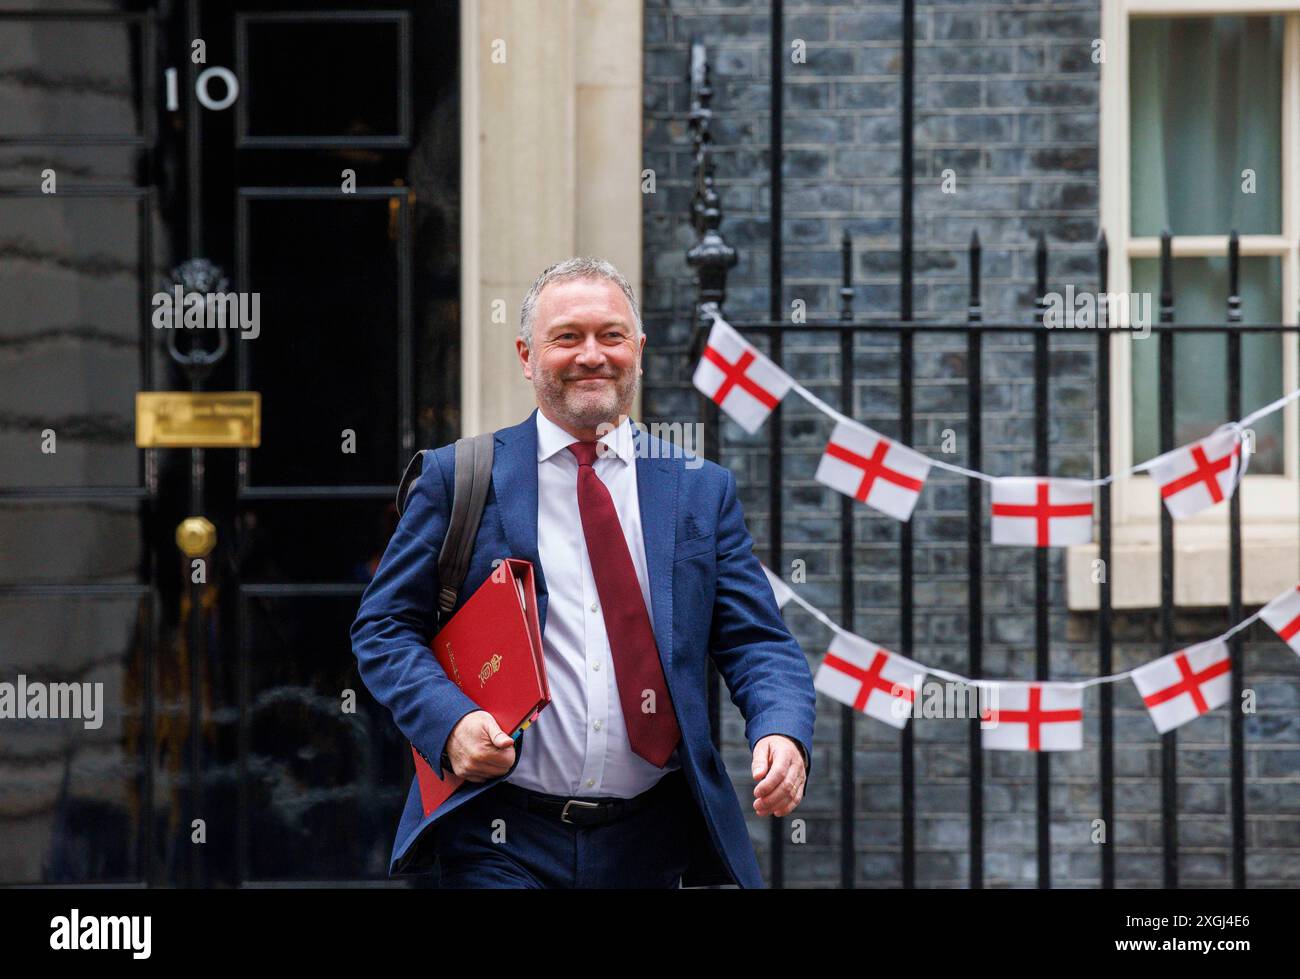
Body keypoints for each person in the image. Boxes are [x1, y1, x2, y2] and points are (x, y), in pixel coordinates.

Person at [350, 257, 816, 888]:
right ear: (526, 354)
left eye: (611, 335)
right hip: (501, 835)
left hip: (651, 840)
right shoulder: (459, 478)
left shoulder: (700, 491)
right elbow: (383, 627)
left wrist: (781, 731)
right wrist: (450, 722)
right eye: (566, 337)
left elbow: (756, 640)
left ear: (639, 349)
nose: (592, 355)